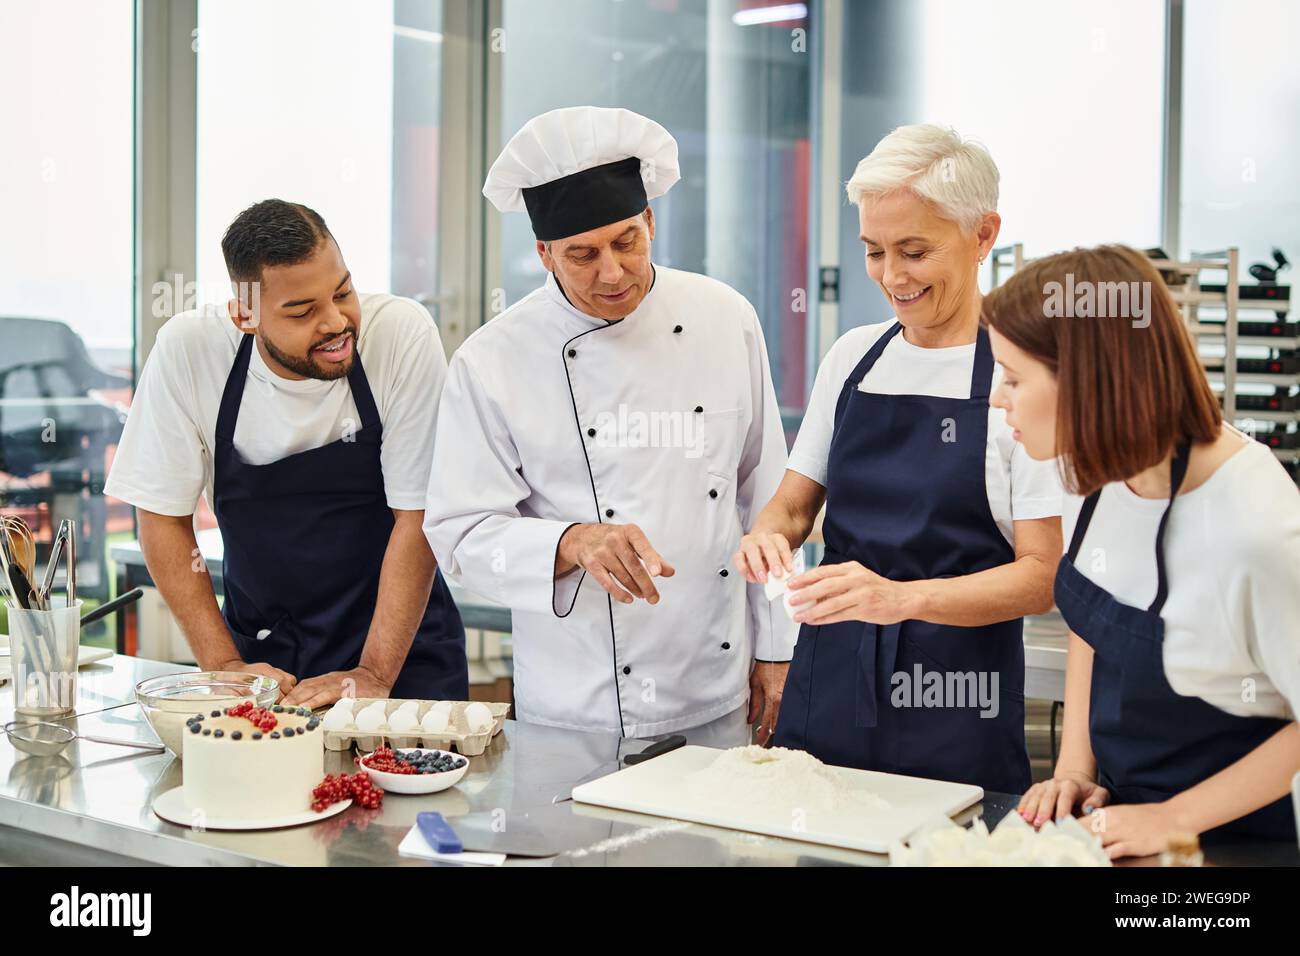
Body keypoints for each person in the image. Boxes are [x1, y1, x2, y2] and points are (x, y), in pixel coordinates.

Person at [424, 107, 795, 745]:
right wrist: (570, 542)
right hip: (578, 701)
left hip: (717, 681)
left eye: (627, 240)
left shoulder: (724, 317)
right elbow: (459, 534)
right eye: (582, 254)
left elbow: (765, 497)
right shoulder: (493, 360)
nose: (612, 272)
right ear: (543, 254)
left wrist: (779, 644)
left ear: (650, 220)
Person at [736, 125, 1062, 793]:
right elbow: (796, 504)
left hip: (955, 700)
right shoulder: (854, 356)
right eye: (874, 251)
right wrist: (769, 537)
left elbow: (1043, 575)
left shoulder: (1021, 375)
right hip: (827, 684)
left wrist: (897, 599)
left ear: (983, 234)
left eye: (915, 251)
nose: (891, 276)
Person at [988, 244, 1300, 857]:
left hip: (1232, 846)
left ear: (1087, 383)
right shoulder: (1092, 471)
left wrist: (1173, 818)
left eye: (1015, 378)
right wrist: (1075, 768)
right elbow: (1094, 617)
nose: (999, 399)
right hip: (1128, 824)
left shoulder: (1258, 528)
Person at [106, 199, 467, 707]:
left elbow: (417, 518)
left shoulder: (400, 335)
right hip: (265, 661)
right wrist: (224, 665)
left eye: (342, 292)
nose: (336, 322)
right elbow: (162, 518)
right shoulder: (190, 350)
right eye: (301, 311)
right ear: (245, 316)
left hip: (403, 658)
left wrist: (374, 674)